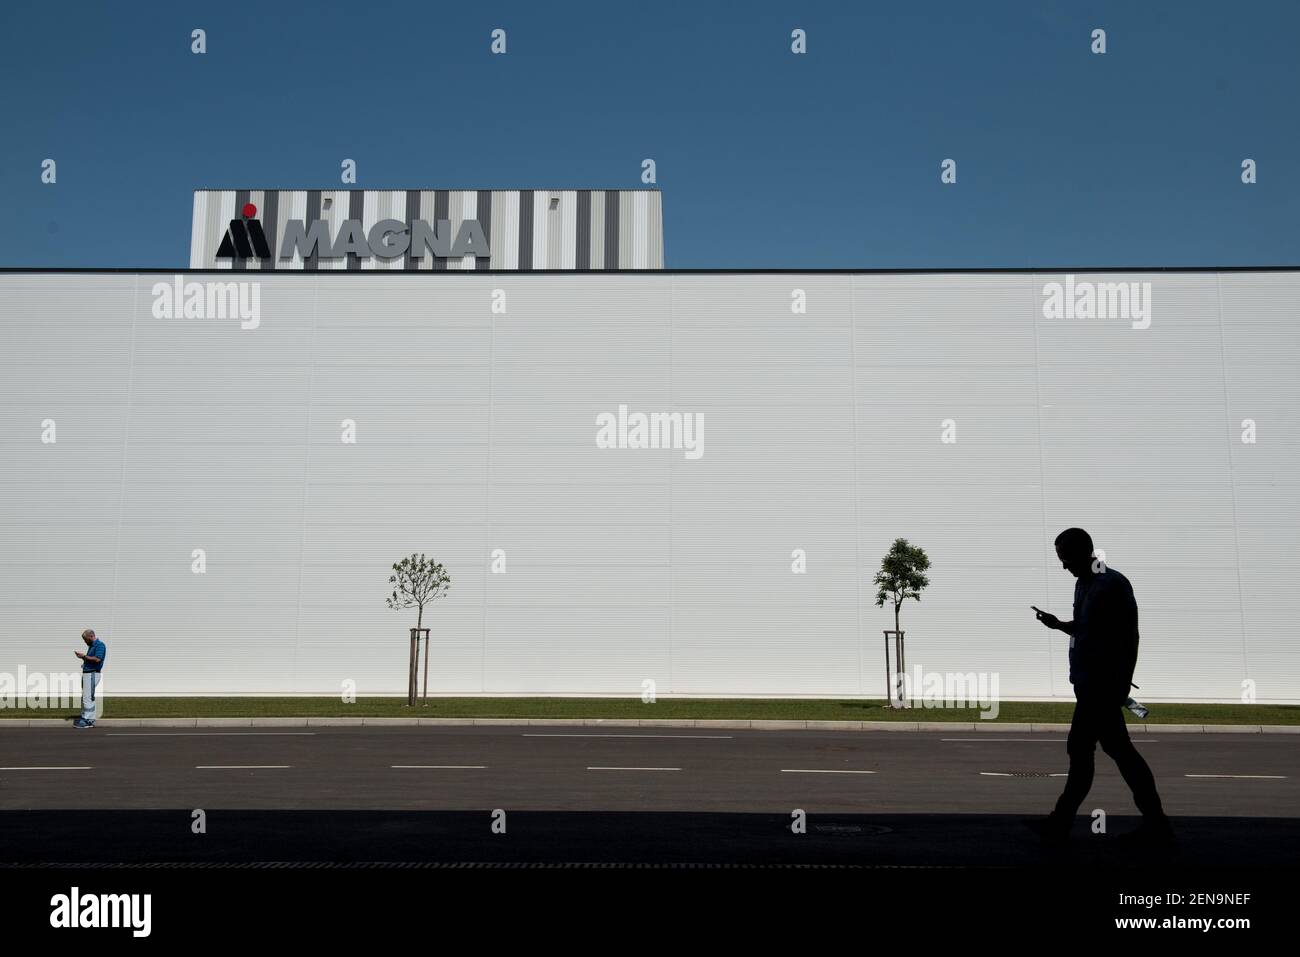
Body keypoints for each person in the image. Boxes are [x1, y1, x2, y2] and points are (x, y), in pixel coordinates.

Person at [1024, 528, 1175, 846]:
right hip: (1089, 683)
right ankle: (1155, 823)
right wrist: (1058, 624)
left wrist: (1121, 683)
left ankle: (1062, 822)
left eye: (1066, 559)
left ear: (1084, 553)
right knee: (1117, 752)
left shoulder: (1111, 584)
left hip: (1101, 687)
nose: (1064, 567)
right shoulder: (1085, 584)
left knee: (1083, 751)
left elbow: (1129, 637)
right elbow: (1086, 628)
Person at [73, 629, 106, 729]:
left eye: (86, 639)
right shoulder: (92, 646)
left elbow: (97, 659)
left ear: (91, 636)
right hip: (88, 674)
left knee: (87, 698)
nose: (85, 641)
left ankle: (87, 720)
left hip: (92, 674)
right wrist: (83, 658)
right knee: (88, 697)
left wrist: (84, 656)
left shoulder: (100, 645)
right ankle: (88, 718)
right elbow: (90, 659)